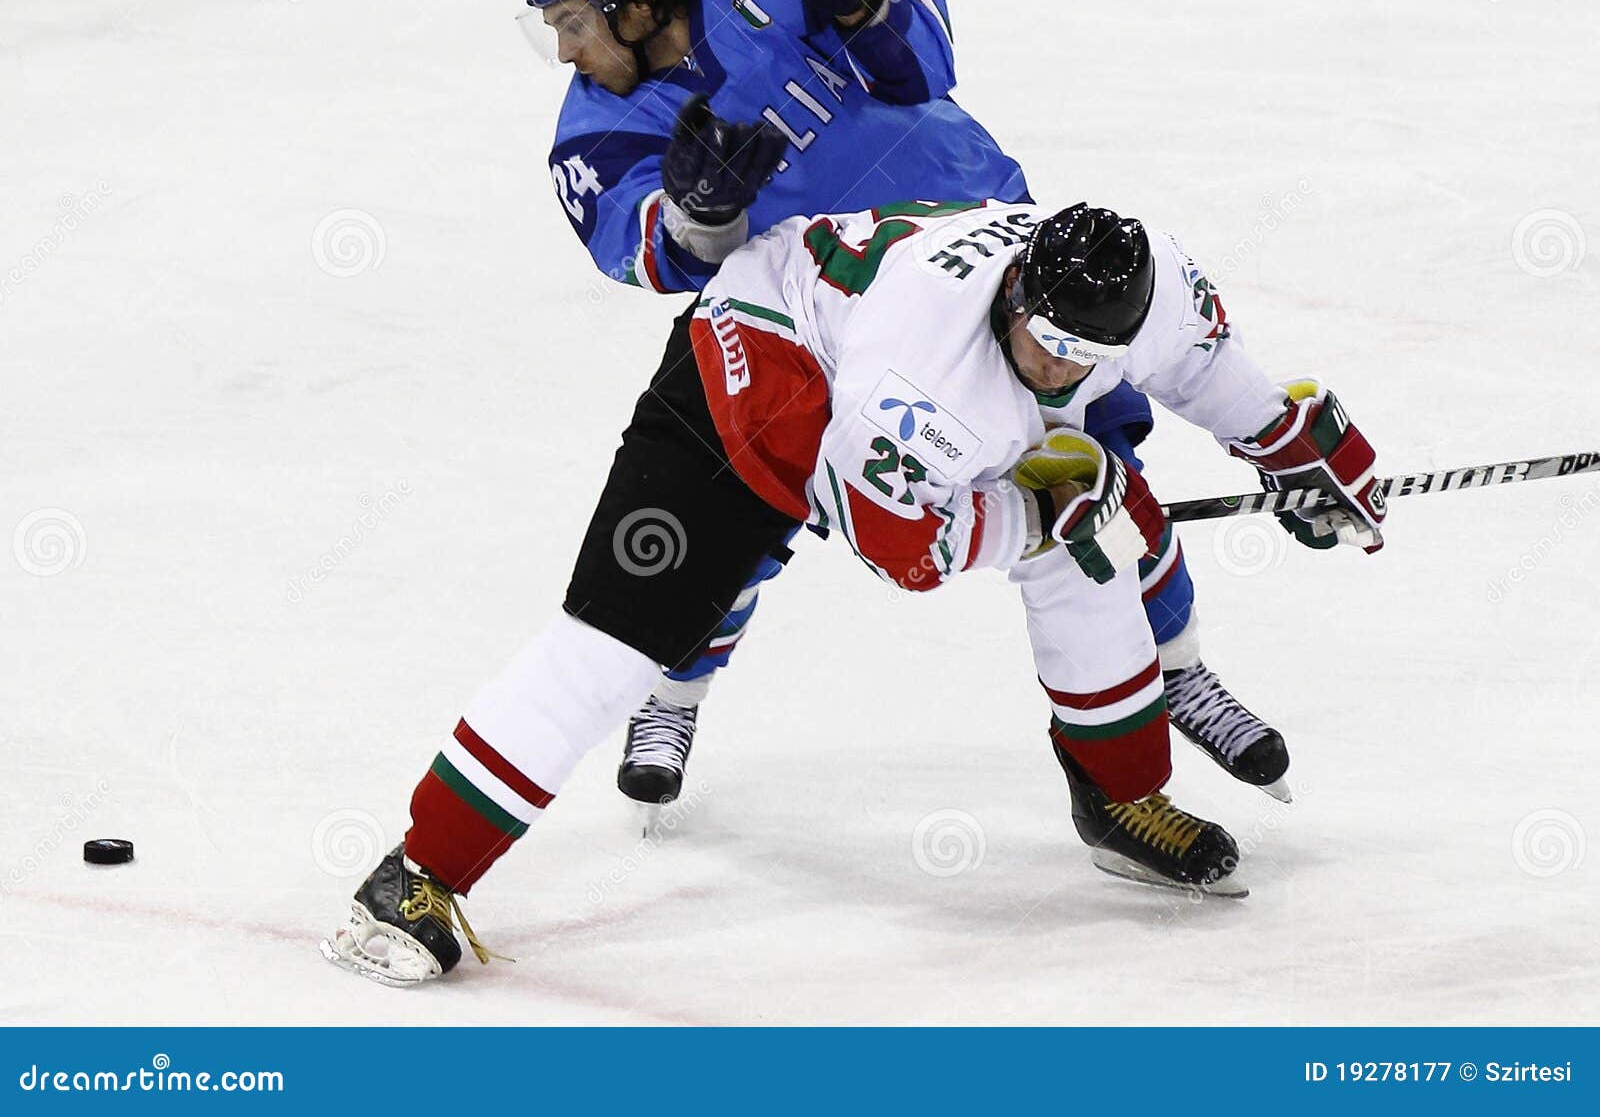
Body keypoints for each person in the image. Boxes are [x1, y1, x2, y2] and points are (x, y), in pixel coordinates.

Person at [324, 200, 1384, 985]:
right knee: (618, 644)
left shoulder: (1149, 294)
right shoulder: (916, 376)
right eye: (1045, 343)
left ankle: (1117, 793)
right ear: (1015, 290)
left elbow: (1223, 384)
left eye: (1082, 358)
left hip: (877, 363)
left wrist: (1310, 455)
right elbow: (901, 553)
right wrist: (1026, 512)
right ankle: (416, 870)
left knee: (1092, 528)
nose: (1056, 370)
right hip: (763, 365)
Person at [519, 0, 1289, 805]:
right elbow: (647, 250)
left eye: (572, 22)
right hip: (817, 324)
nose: (564, 52)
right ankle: (675, 689)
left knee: (1097, 472)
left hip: (981, 254)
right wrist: (701, 210)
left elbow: (927, 65)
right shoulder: (596, 129)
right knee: (735, 516)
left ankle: (1177, 672)